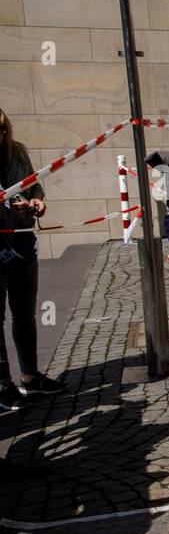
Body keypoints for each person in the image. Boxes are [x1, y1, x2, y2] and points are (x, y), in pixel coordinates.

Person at [0, 108, 65, 412]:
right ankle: (3, 387)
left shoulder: (17, 152)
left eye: (3, 129)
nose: (0, 136)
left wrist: (37, 199)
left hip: (23, 240)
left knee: (24, 314)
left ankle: (30, 376)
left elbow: (33, 184)